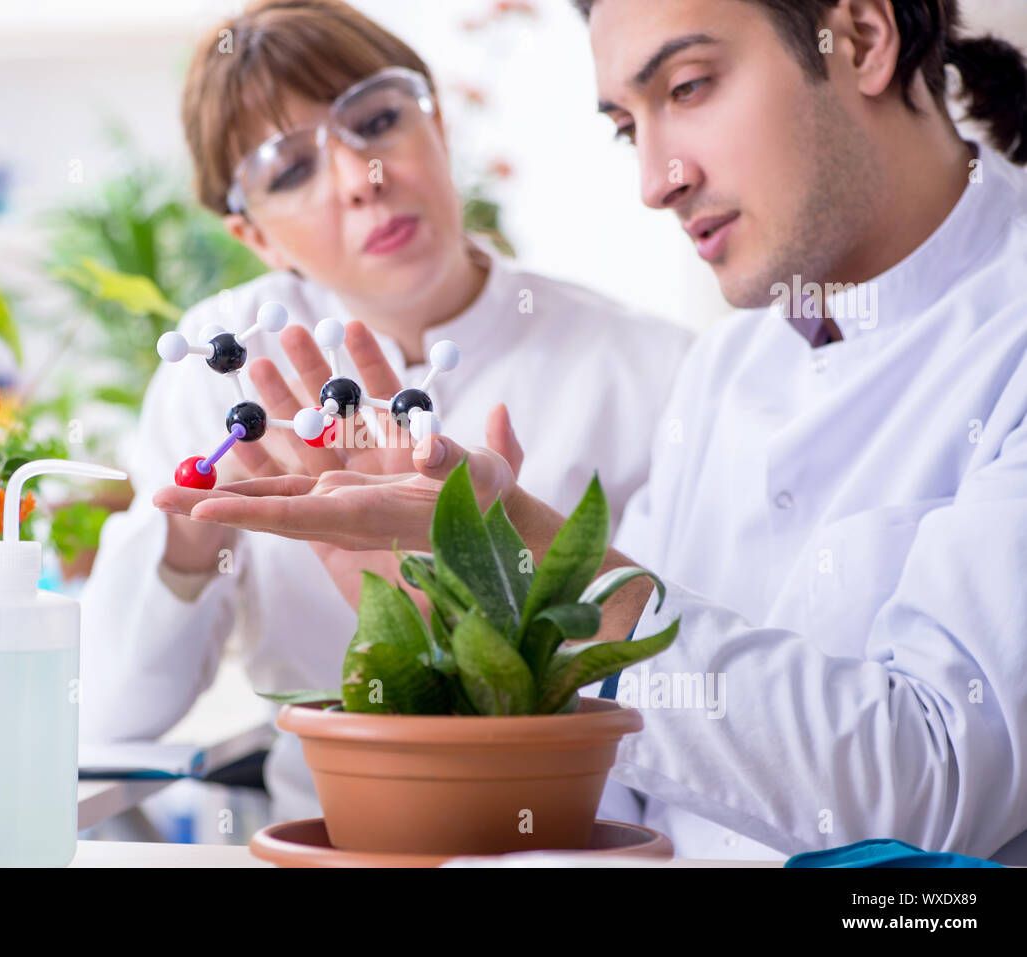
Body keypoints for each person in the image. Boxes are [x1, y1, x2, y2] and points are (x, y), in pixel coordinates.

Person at [157, 0, 1027, 863]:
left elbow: (935, 788)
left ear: (864, 38)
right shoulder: (725, 370)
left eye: (688, 87)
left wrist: (529, 557)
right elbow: (615, 779)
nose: (656, 182)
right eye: (625, 127)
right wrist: (461, 619)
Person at [78, 0, 692, 825]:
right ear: (254, 233)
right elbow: (111, 712)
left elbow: (701, 695)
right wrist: (191, 536)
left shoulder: (649, 366)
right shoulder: (220, 369)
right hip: (324, 835)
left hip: (571, 835)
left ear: (435, 123)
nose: (356, 180)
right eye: (289, 170)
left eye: (376, 121)